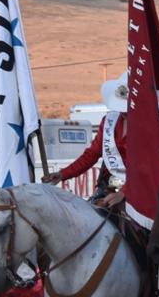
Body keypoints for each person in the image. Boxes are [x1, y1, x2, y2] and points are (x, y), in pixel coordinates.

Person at [43, 72, 129, 209]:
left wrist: (124, 192)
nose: (123, 111)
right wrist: (63, 174)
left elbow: (148, 167)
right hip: (108, 187)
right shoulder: (109, 121)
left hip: (138, 192)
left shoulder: (149, 126)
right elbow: (92, 154)